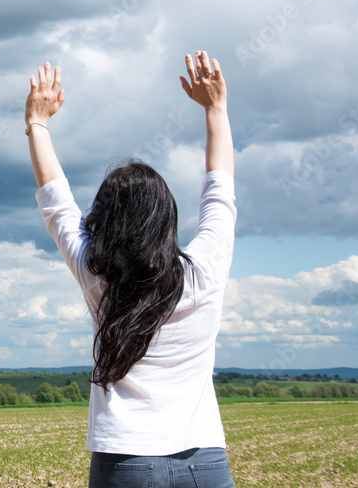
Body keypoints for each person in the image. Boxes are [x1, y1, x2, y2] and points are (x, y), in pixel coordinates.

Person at [25, 52, 237, 487]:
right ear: (167, 218)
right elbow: (220, 192)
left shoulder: (96, 275)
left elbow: (56, 203)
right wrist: (216, 108)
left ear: (105, 218)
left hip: (125, 462)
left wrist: (37, 122)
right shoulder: (204, 273)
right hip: (206, 462)